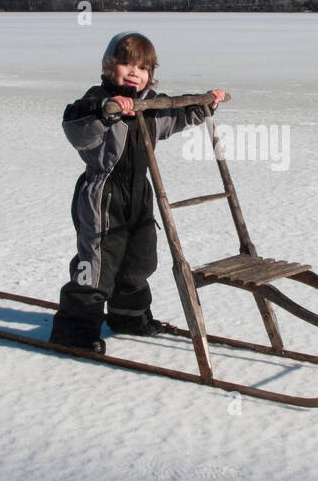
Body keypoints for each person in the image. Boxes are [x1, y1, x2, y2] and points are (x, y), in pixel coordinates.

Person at [49, 32, 228, 353]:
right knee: (97, 263)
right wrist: (108, 110)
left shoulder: (149, 105)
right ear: (108, 67)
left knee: (140, 259)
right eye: (126, 64)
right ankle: (74, 331)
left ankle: (128, 316)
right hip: (103, 195)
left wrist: (204, 103)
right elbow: (75, 126)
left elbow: (177, 114)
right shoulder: (96, 101)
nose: (134, 72)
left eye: (143, 68)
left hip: (140, 193)